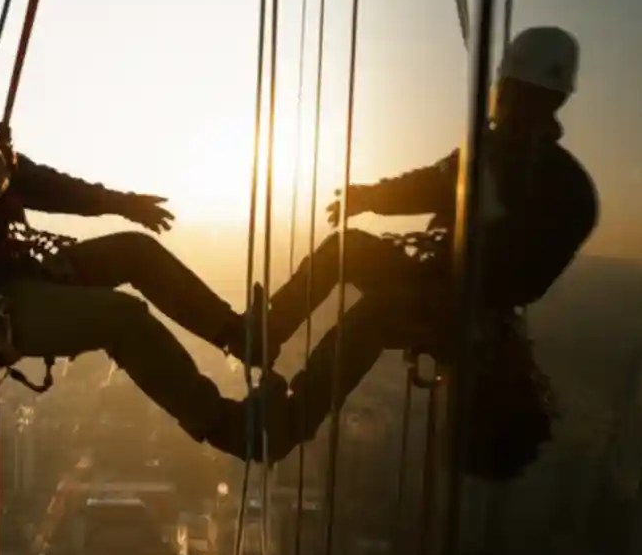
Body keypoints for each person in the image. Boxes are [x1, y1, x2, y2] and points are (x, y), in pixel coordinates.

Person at [0, 3, 257, 471]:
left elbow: (39, 183)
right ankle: (224, 425)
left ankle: (239, 337)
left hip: (14, 276)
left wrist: (119, 202)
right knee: (122, 317)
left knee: (135, 252)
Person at [206, 27, 599, 478]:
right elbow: (436, 187)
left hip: (465, 307)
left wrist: (374, 199)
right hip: (448, 288)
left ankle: (289, 423)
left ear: (506, 89)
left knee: (376, 313)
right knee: (347, 249)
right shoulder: (563, 184)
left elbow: (437, 189)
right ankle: (267, 334)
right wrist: (371, 198)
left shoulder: (528, 170)